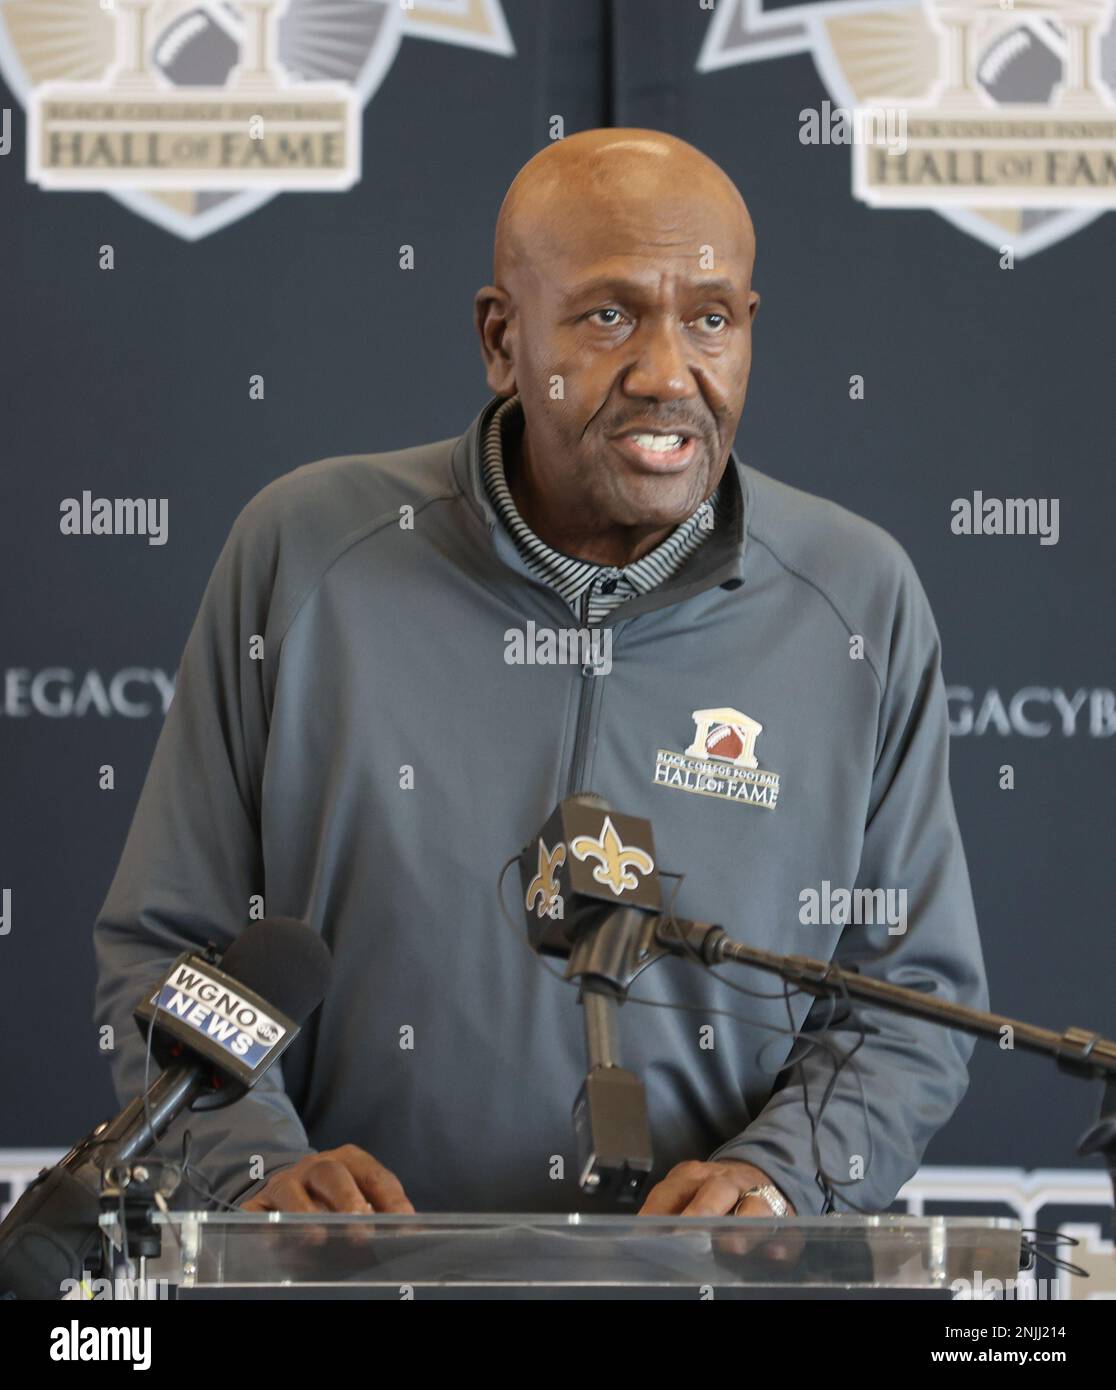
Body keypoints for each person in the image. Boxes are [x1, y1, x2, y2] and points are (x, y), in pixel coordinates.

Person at [94, 128, 987, 1222]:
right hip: (351, 1294)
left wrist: (782, 1178)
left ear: (748, 332)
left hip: (705, 1302)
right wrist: (254, 1166)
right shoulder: (304, 550)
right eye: (609, 315)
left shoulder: (858, 596)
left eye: (708, 318)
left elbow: (910, 1000)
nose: (667, 374)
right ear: (501, 338)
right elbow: (167, 944)